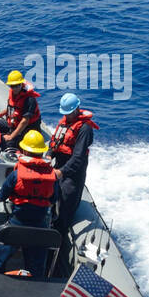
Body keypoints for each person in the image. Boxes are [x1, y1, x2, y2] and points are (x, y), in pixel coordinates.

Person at [0, 130, 60, 276]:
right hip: (40, 228)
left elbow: (0, 197)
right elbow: (53, 199)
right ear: (42, 153)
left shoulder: (16, 174)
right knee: (37, 267)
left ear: (24, 151)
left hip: (17, 225)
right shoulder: (52, 176)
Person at [47, 92, 98, 238]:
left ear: (76, 109)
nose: (67, 116)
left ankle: (58, 238)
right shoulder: (65, 122)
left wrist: (62, 172)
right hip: (59, 166)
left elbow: (78, 158)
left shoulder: (84, 129)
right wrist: (50, 154)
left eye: (69, 113)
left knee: (65, 205)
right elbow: (56, 142)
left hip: (73, 174)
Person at [0, 69, 41, 149]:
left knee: (8, 144)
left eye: (17, 85)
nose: (15, 88)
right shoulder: (13, 94)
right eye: (12, 86)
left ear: (22, 84)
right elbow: (11, 107)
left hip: (26, 128)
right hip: (14, 124)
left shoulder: (30, 99)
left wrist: (11, 136)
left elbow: (25, 121)